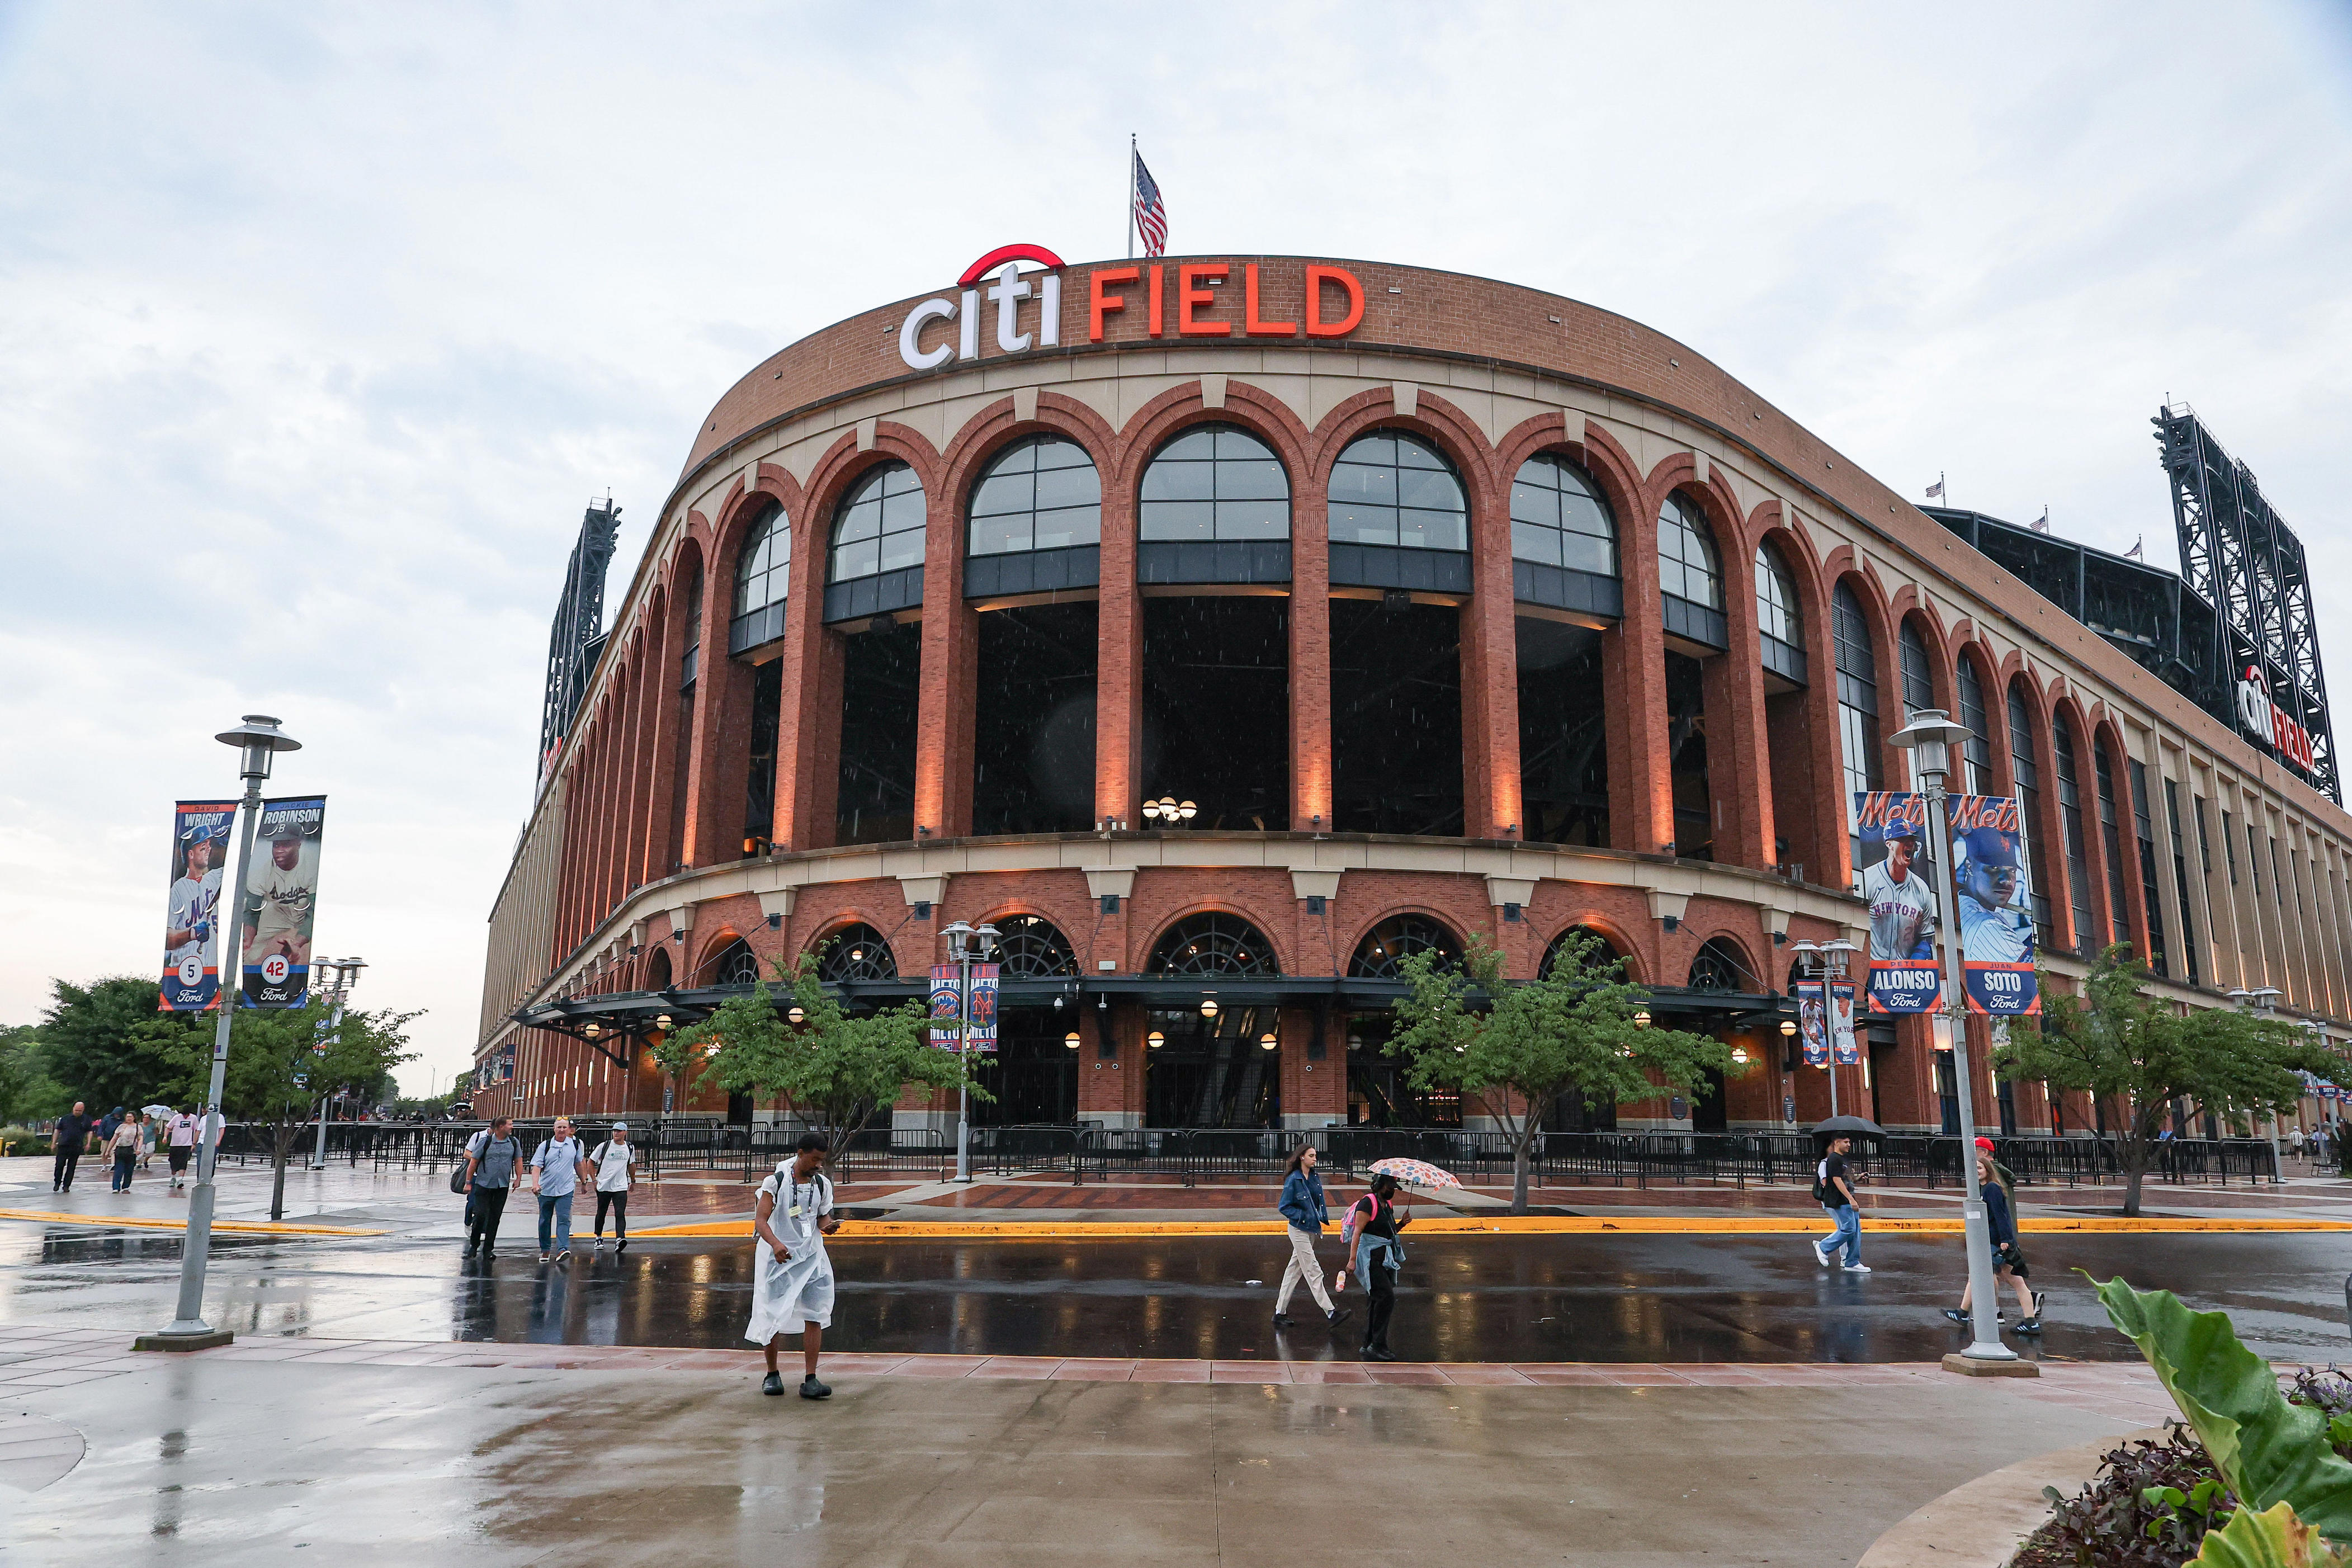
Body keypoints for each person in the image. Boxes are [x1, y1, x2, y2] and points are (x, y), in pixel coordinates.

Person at [747, 1131, 842, 1399]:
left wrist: (828, 1227)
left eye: (822, 1161)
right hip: (779, 1258)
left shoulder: (822, 1184)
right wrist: (776, 1245)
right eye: (814, 1160)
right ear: (800, 1154)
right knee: (772, 1313)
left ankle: (811, 1378)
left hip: (811, 1257)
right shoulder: (775, 1182)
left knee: (816, 1313)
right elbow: (761, 1220)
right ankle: (772, 1374)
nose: (818, 1165)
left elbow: (821, 1216)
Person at [1945, 1148, 2041, 1333]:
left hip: (1998, 1244)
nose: (1977, 1171)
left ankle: (1966, 1313)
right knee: (1994, 1279)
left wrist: (2006, 1240)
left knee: (1996, 1279)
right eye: (1974, 1169)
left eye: (1980, 1168)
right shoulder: (1984, 1189)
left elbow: (2001, 1216)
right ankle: (2030, 1321)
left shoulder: (1992, 1189)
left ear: (1988, 1170)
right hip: (1994, 1242)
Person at [1271, 1144, 1348, 1330]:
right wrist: (1303, 1217)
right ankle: (1331, 1312)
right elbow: (1284, 1207)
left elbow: (1318, 1202)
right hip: (1298, 1230)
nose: (1315, 1159)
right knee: (1313, 1271)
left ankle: (1279, 1313)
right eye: (1311, 1156)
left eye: (1316, 1156)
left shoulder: (1314, 1177)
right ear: (1302, 1158)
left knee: (1293, 1272)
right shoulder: (1293, 1180)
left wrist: (1319, 1219)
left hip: (1312, 1230)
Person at [1337, 1171, 1411, 1362]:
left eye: (1394, 1188)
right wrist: (1352, 1260)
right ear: (1380, 1185)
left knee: (1375, 1299)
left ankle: (1368, 1343)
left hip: (1384, 1258)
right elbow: (1357, 1233)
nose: (1392, 1191)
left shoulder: (1387, 1205)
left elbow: (1389, 1232)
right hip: (1370, 1258)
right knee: (1386, 1297)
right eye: (1390, 1188)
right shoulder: (1368, 1203)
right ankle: (1378, 1345)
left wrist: (1402, 1223)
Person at [243, 823, 319, 971]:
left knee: (303, 952)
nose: (279, 851)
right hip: (278, 912)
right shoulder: (260, 873)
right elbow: (252, 911)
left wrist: (297, 942)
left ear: (299, 843)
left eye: (285, 845)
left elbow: (312, 912)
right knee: (250, 955)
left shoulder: (310, 867)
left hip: (303, 911)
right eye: (276, 845)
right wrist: (248, 942)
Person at [1953, 827, 2034, 964]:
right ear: (1970, 867)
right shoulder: (1987, 925)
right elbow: (2031, 976)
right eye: (1994, 868)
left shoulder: (1966, 907)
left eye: (2012, 870)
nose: (2007, 880)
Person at [1862, 832, 1936, 962]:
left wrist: (1917, 959)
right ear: (1889, 844)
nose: (1910, 844)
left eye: (1912, 840)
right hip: (1873, 970)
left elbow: (1926, 936)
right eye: (1903, 839)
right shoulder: (1868, 878)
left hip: (1905, 974)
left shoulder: (1921, 888)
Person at [527, 1117, 590, 1264]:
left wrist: (584, 1181)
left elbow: (579, 1164)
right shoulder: (546, 1145)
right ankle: (545, 1250)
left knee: (564, 1219)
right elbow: (537, 1166)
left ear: (569, 1129)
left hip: (566, 1189)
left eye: (564, 1127)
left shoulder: (575, 1145)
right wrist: (535, 1184)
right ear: (554, 1129)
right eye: (559, 1127)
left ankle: (562, 1249)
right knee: (545, 1220)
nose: (562, 1130)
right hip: (546, 1189)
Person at [460, 1117, 522, 1257]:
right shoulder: (485, 1142)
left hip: (502, 1185)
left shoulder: (514, 1142)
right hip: (484, 1184)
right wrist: (469, 1183)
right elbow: (473, 1163)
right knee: (480, 1215)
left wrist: (518, 1178)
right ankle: (474, 1245)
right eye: (510, 1125)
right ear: (501, 1127)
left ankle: (488, 1249)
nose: (512, 1127)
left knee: (495, 1217)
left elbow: (518, 1160)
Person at [587, 1121, 651, 1251]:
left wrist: (633, 1180)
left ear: (625, 1133)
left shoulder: (629, 1147)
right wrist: (594, 1180)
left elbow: (632, 1164)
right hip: (604, 1185)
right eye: (615, 1131)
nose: (616, 1133)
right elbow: (591, 1161)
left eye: (619, 1131)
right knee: (602, 1212)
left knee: (620, 1213)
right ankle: (599, 1236)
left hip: (621, 1186)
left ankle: (620, 1238)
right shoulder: (604, 1146)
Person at [1811, 1134, 1869, 1273]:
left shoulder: (1843, 1160)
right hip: (1840, 1201)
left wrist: (1858, 1178)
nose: (1849, 1145)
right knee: (1848, 1229)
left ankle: (1852, 1262)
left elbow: (1846, 1180)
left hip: (1847, 1199)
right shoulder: (1834, 1159)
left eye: (1850, 1142)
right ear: (1837, 1143)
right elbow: (1836, 1181)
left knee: (1855, 1231)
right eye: (1846, 1142)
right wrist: (1851, 1199)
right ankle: (1823, 1247)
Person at [51, 1102, 90, 1193]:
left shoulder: (86, 1119)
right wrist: (53, 1143)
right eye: (76, 1110)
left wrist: (88, 1143)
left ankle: (66, 1185)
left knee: (71, 1167)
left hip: (76, 1146)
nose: (77, 1112)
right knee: (59, 1165)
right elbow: (57, 1130)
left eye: (80, 1111)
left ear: (83, 1110)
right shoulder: (65, 1118)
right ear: (73, 1109)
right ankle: (57, 1182)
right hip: (63, 1145)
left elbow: (89, 1132)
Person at [165, 1106, 200, 1190]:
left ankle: (180, 1180)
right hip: (175, 1144)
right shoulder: (177, 1117)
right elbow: (168, 1127)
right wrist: (165, 1137)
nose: (185, 1116)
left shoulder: (194, 1118)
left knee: (183, 1162)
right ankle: (173, 1177)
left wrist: (194, 1143)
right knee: (173, 1162)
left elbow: (197, 1130)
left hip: (187, 1144)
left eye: (186, 1115)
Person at [107, 1111, 144, 1192]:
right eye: (127, 1117)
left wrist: (138, 1149)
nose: (129, 1118)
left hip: (131, 1150)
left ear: (134, 1118)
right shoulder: (121, 1127)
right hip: (120, 1149)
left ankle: (126, 1186)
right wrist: (108, 1150)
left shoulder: (138, 1127)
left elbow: (140, 1139)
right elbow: (114, 1138)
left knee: (129, 1170)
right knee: (118, 1169)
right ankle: (116, 1187)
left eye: (130, 1117)